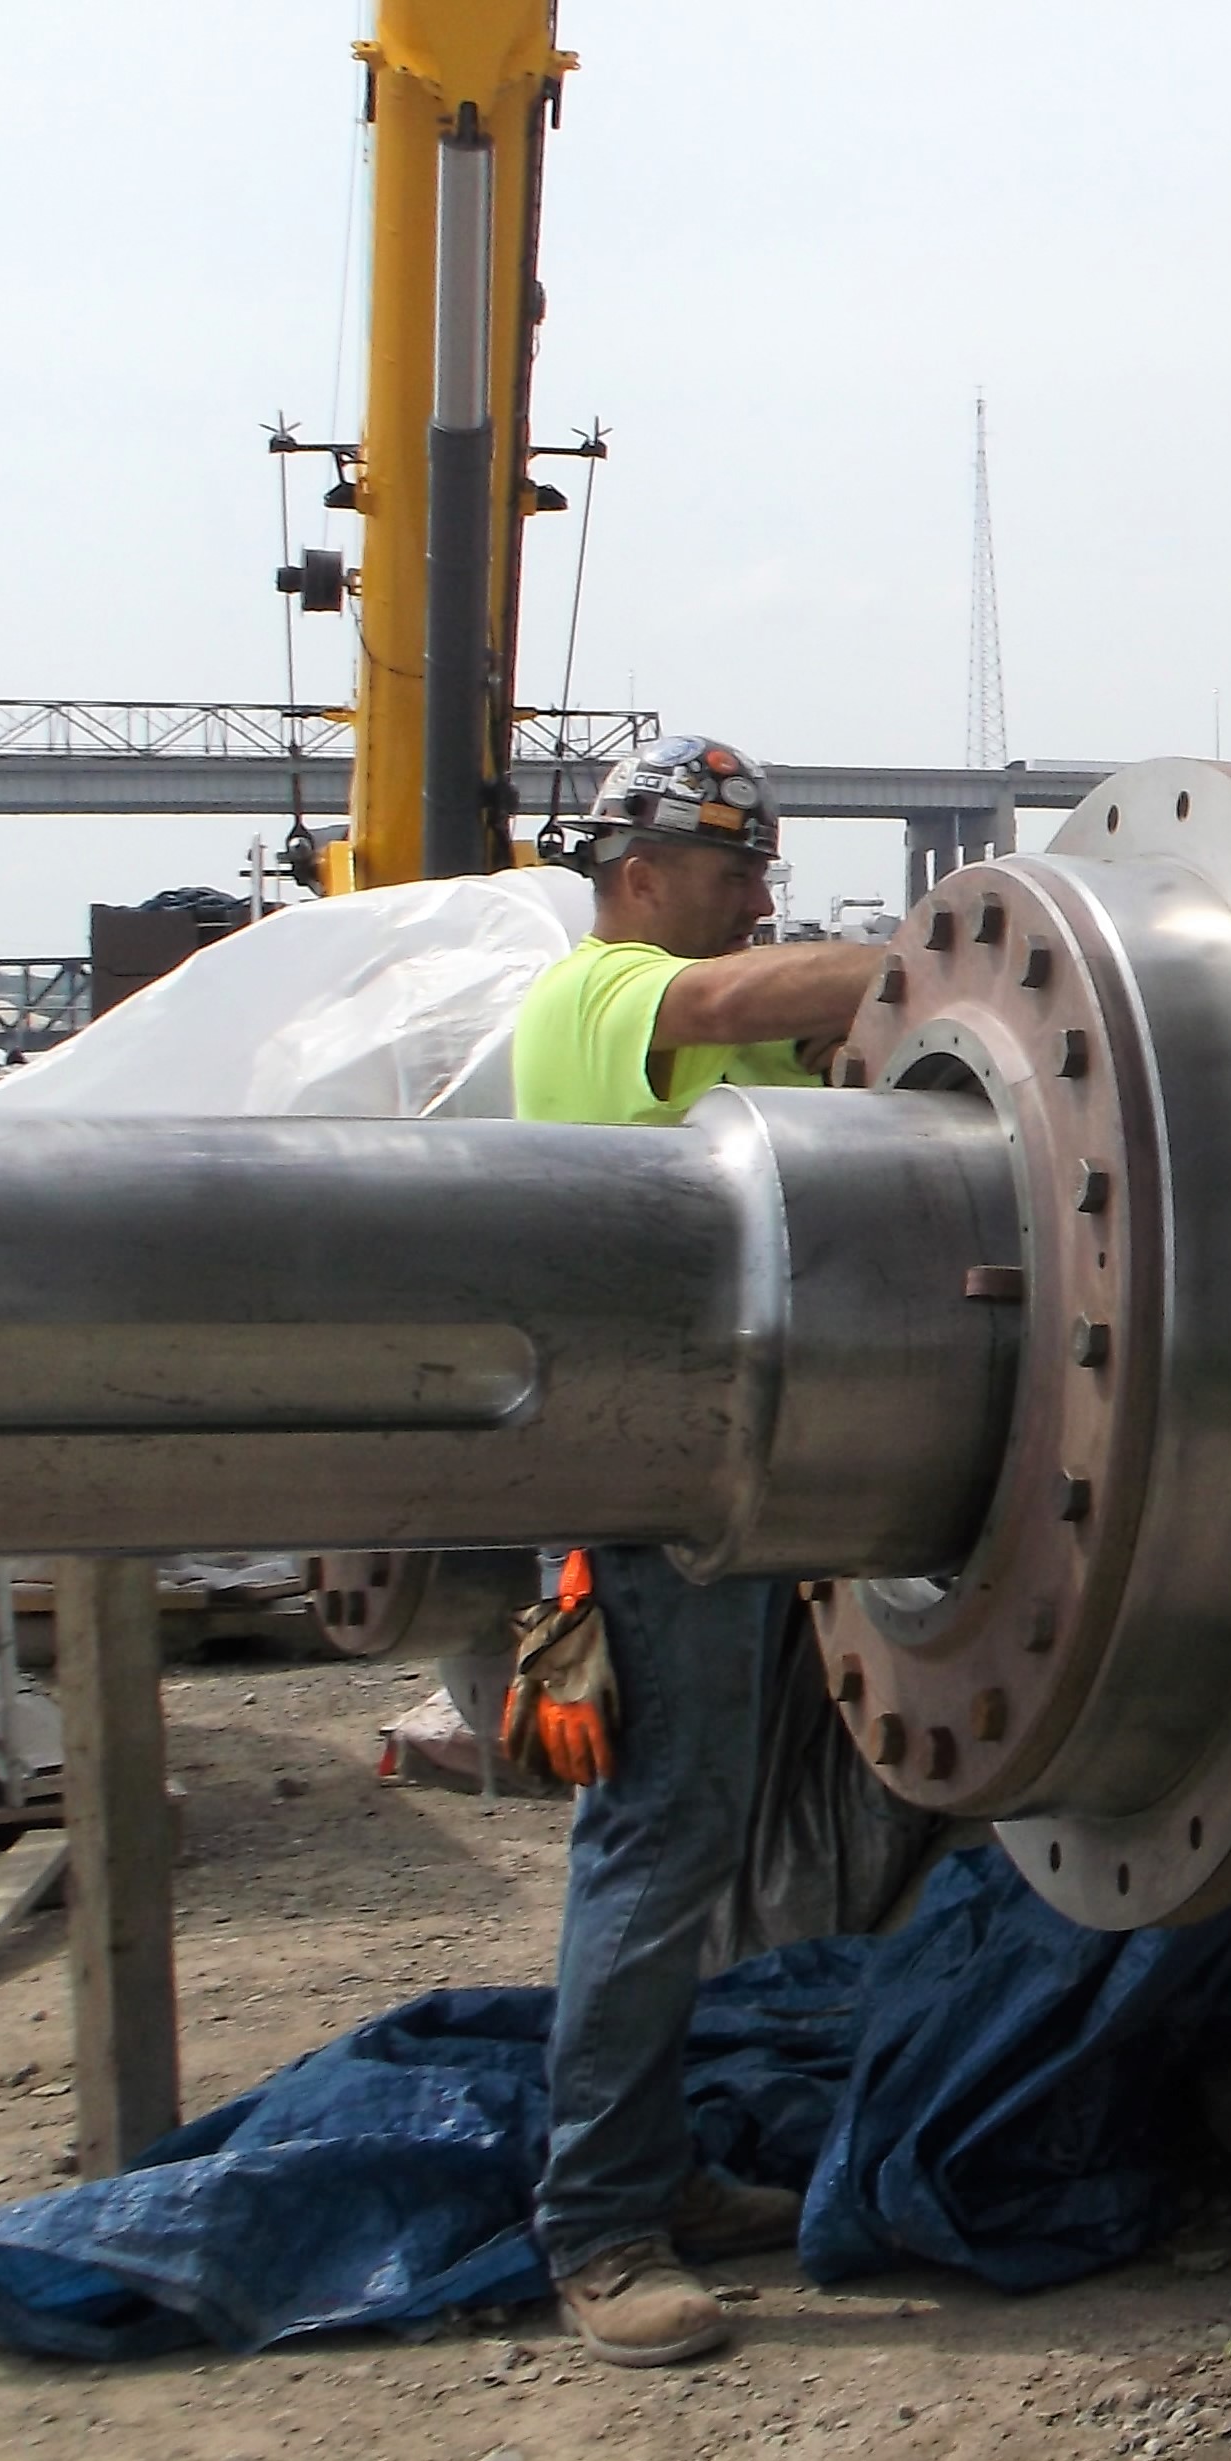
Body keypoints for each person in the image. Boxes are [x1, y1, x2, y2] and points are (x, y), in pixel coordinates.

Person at [509, 732, 888, 2363]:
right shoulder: (599, 999)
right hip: (652, 1484)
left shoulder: (749, 1040)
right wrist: (932, 950)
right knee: (656, 1845)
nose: (752, 899)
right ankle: (595, 2229)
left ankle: (655, 2170)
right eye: (729, 871)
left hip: (757, 1484)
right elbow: (743, 1005)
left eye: (757, 873)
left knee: (698, 1832)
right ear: (635, 876)